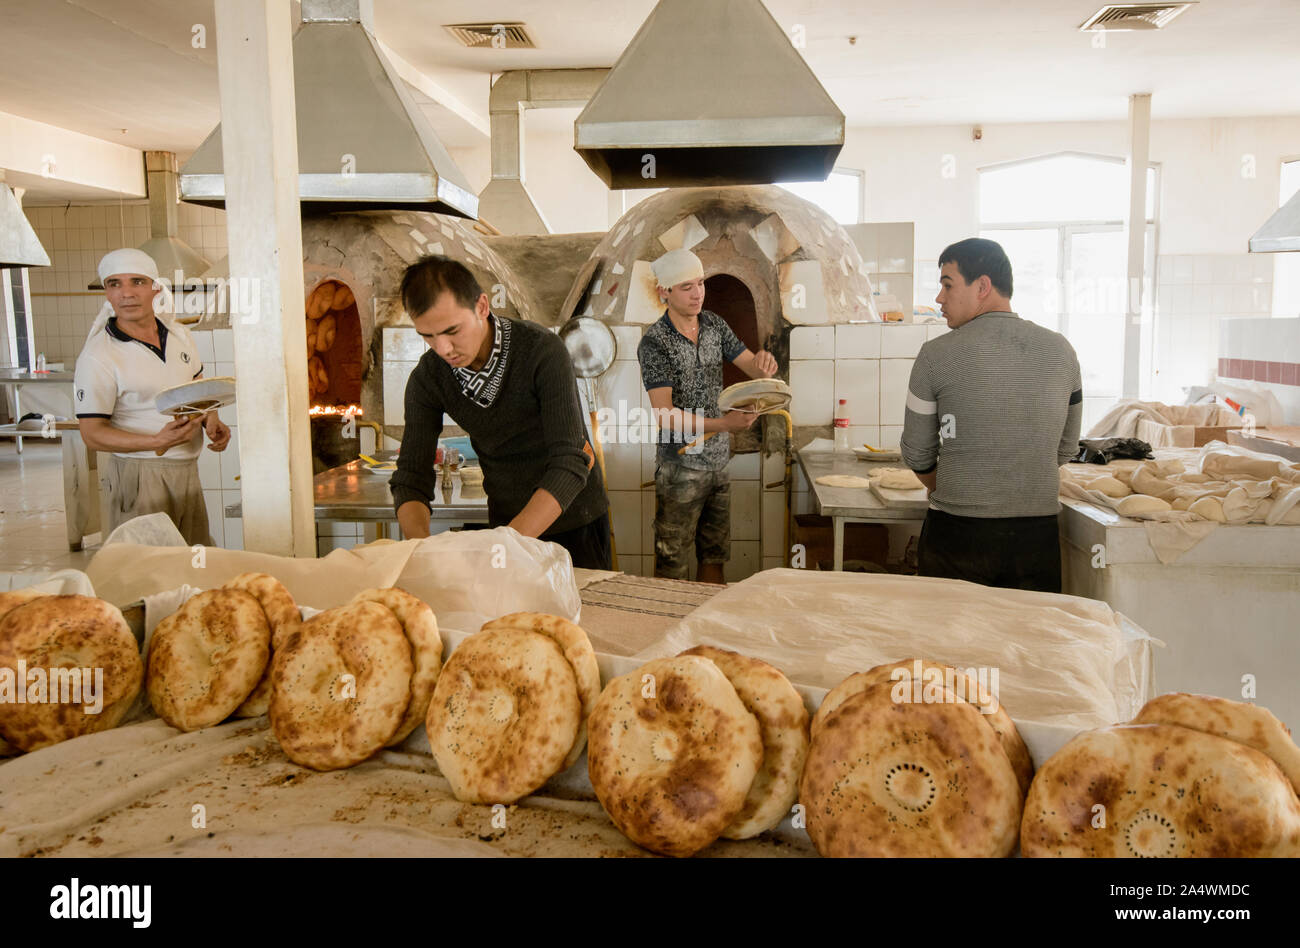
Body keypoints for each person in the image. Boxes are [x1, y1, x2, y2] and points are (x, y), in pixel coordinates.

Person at [390, 255, 612, 569]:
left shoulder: (541, 351)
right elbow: (411, 477)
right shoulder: (428, 378)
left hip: (574, 524)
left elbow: (571, 459)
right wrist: (422, 548)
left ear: (481, 307)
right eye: (427, 336)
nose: (443, 349)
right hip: (506, 520)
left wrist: (507, 544)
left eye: (452, 330)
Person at [900, 237, 1082, 593]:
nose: (939, 298)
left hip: (957, 536)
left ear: (982, 286)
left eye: (947, 284)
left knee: (950, 647)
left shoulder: (935, 356)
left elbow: (917, 453)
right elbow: (1065, 447)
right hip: (1036, 539)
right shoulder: (1062, 350)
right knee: (1026, 644)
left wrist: (963, 486)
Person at [637, 249, 778, 584]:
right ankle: (671, 629)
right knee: (672, 562)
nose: (698, 293)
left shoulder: (714, 324)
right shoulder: (655, 343)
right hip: (680, 467)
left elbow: (749, 364)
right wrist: (724, 425)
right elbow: (665, 415)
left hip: (718, 462)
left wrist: (764, 361)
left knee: (714, 556)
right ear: (664, 292)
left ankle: (705, 630)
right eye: (686, 286)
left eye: (700, 283)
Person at [74, 248, 230, 545]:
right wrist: (157, 441)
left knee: (193, 563)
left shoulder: (179, 335)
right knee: (146, 571)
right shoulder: (99, 356)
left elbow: (195, 383)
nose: (126, 293)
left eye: (137, 282)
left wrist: (212, 417)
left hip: (187, 470)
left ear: (155, 288)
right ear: (107, 293)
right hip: (140, 475)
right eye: (115, 284)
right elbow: (92, 434)